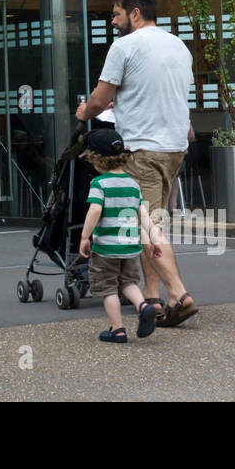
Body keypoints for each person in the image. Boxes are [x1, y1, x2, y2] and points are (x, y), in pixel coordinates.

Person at [75, 0, 197, 327]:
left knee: (147, 228)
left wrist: (85, 110)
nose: (113, 22)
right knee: (151, 221)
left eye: (116, 15)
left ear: (136, 13)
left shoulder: (125, 46)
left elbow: (99, 100)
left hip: (142, 148)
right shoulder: (178, 45)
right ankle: (153, 299)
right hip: (174, 148)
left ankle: (179, 294)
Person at [78, 128, 163, 343]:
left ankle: (117, 329)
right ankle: (144, 306)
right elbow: (144, 216)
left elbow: (95, 210)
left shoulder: (99, 184)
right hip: (130, 246)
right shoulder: (133, 185)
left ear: (97, 160)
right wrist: (154, 240)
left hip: (106, 246)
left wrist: (85, 236)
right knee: (128, 282)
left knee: (108, 288)